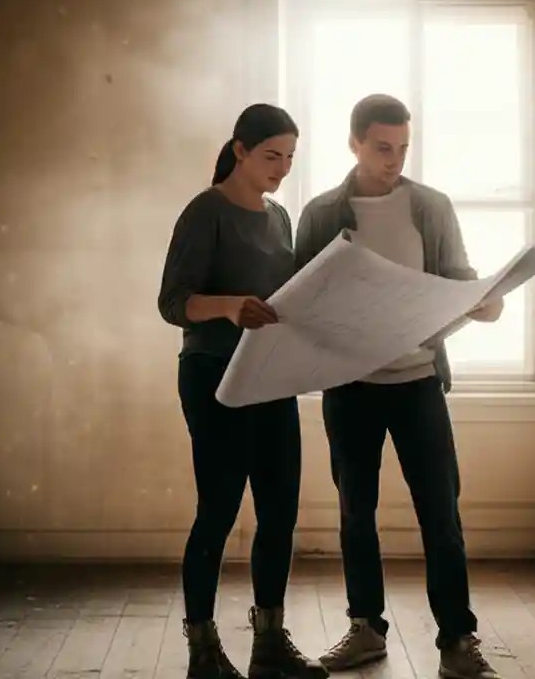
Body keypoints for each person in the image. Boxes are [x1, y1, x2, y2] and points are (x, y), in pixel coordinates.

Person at [293, 94, 504, 679]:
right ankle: (365, 630)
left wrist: (486, 302)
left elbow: (459, 281)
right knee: (355, 513)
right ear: (355, 143)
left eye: (403, 147)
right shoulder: (320, 214)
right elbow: (299, 301)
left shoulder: (430, 207)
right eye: (383, 147)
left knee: (441, 513)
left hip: (418, 384)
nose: (394, 159)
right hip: (350, 387)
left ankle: (457, 642)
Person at [158, 103, 329, 679]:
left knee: (279, 510)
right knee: (219, 508)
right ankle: (202, 649)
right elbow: (172, 303)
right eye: (270, 155)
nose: (281, 168)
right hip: (214, 374)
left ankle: (269, 644)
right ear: (239, 150)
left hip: (273, 375)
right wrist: (231, 306)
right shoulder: (205, 210)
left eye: (288, 158)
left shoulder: (279, 217)